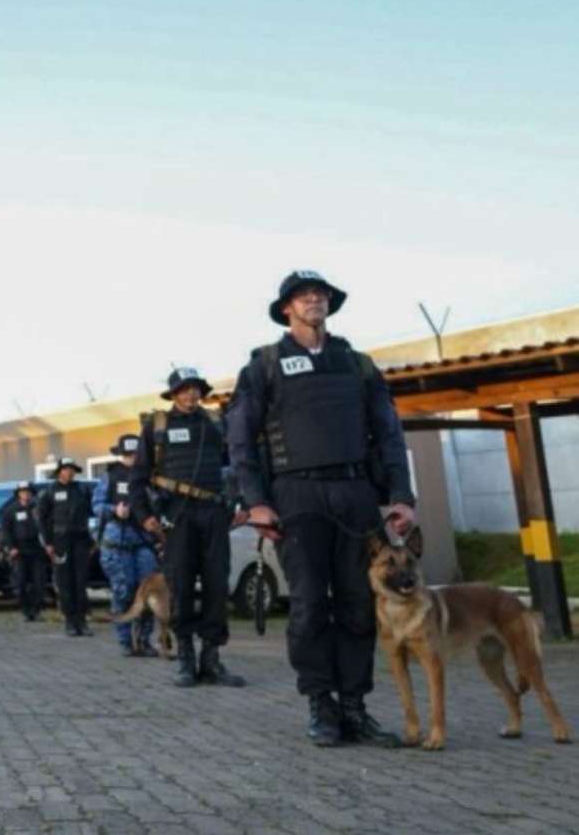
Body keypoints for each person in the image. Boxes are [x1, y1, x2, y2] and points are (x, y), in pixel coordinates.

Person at [227, 270, 414, 747]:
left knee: (357, 604)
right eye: (303, 295)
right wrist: (257, 503)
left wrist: (400, 497)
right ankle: (321, 706)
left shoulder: (357, 365)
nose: (314, 299)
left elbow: (388, 434)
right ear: (287, 307)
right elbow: (240, 439)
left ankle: (355, 707)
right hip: (297, 496)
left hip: (355, 494)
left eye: (321, 294)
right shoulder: (264, 365)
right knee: (309, 604)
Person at [129, 368, 245, 688]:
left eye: (195, 389)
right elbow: (138, 477)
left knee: (216, 586)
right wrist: (143, 514)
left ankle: (211, 660)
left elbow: (240, 464)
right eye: (184, 390)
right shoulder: (157, 426)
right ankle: (185, 660)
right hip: (176, 516)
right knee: (179, 586)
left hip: (214, 513)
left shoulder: (217, 423)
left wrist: (242, 502)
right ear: (173, 394)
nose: (190, 395)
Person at [94, 433, 159, 656]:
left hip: (144, 542)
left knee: (148, 592)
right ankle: (125, 641)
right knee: (123, 592)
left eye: (135, 454)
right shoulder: (110, 476)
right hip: (117, 542)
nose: (132, 458)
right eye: (128, 454)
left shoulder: (149, 476)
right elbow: (96, 506)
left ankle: (144, 640)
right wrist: (115, 510)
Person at [36, 458, 94, 635]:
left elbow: (93, 514)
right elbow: (42, 520)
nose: (69, 472)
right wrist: (48, 544)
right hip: (60, 541)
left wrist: (93, 539)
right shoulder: (49, 492)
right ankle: (70, 621)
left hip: (81, 540)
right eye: (66, 469)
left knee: (81, 581)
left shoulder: (82, 490)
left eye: (72, 469)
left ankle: (82, 621)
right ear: (60, 471)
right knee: (65, 582)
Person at [0, 482, 48, 621]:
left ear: (31, 493)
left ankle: (37, 611)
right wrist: (11, 547)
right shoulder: (11, 510)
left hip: (37, 550)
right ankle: (26, 611)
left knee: (39, 582)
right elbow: (6, 531)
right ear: (18, 494)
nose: (25, 494)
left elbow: (45, 526)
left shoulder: (37, 508)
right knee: (20, 583)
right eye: (22, 492)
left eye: (28, 491)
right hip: (19, 551)